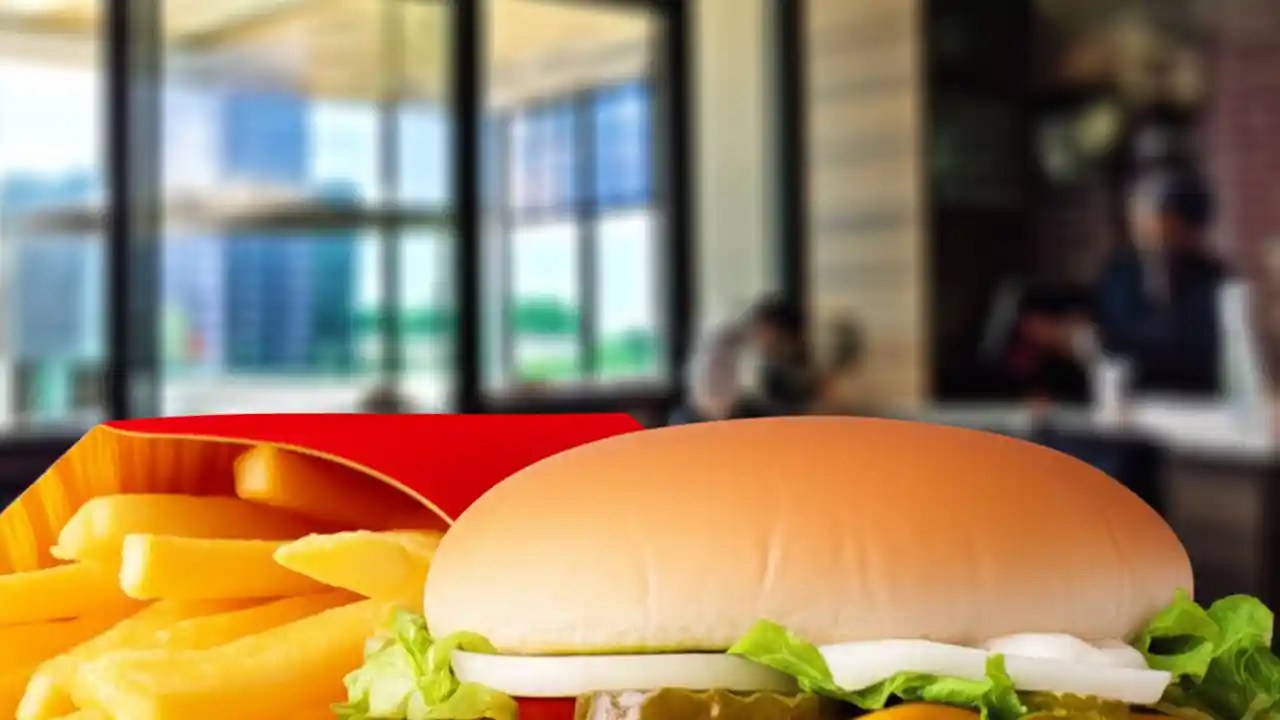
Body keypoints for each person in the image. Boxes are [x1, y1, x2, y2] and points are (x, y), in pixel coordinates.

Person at [1096, 168, 1227, 395]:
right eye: (1136, 216)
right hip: (1130, 401)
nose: (1140, 226)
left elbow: (1200, 350)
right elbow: (1110, 332)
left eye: (1151, 215)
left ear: (1183, 225)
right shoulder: (1120, 273)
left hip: (1196, 403)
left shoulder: (1213, 279)